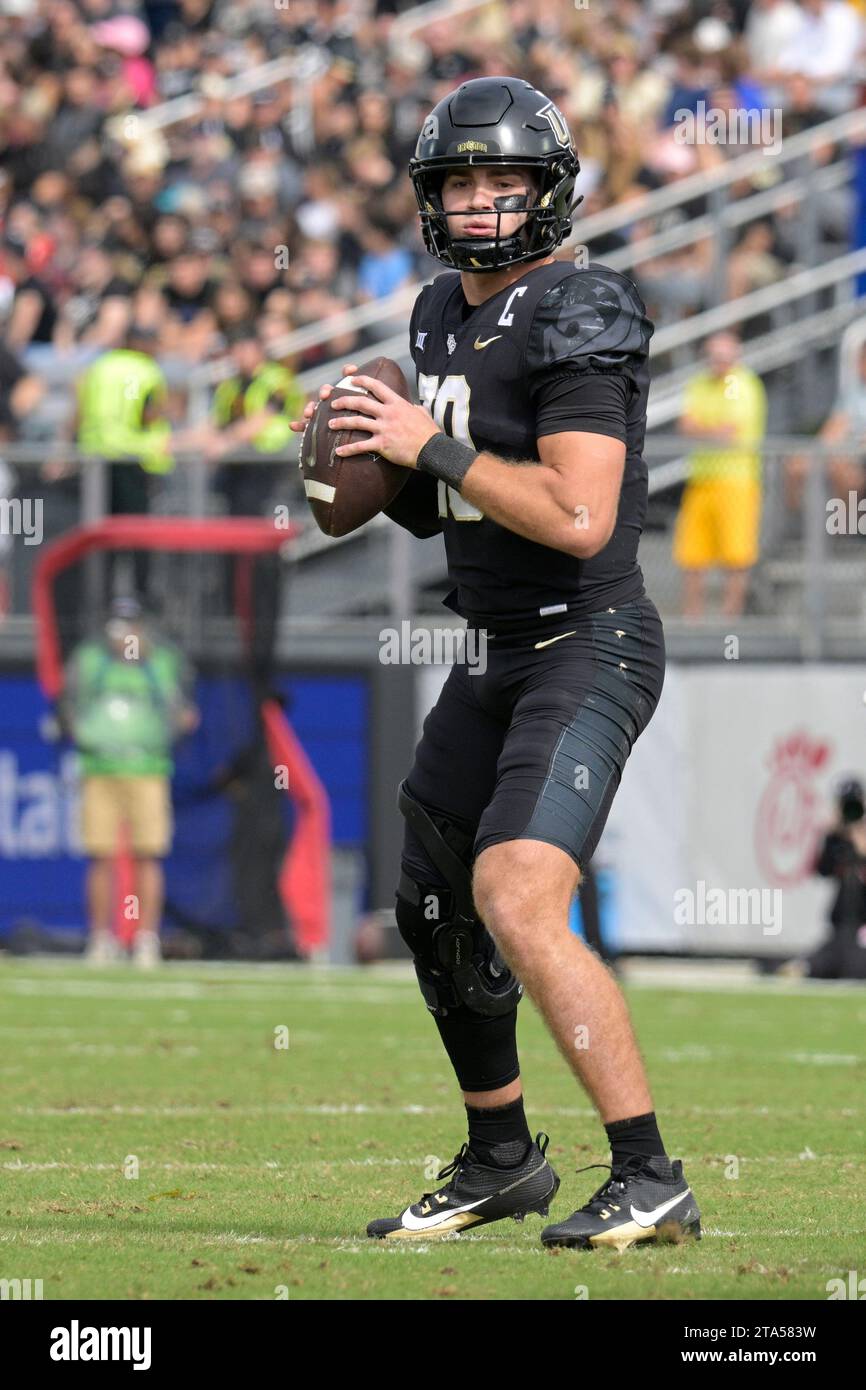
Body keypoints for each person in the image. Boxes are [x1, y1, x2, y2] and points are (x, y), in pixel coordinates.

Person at [291, 76, 701, 1253]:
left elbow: (575, 515)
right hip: (490, 649)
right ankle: (500, 1156)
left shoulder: (582, 307)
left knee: (514, 895)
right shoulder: (433, 315)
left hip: (588, 640)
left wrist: (435, 444)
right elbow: (455, 511)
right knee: (426, 899)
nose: (477, 205)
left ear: (548, 192)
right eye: (458, 184)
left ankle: (648, 1171)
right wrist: (378, 462)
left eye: (501, 183)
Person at [61, 597, 198, 969]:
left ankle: (145, 940)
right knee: (100, 854)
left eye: (129, 627)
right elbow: (69, 706)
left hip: (148, 770)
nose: (123, 637)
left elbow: (185, 713)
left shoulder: (162, 663)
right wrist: (89, 736)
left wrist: (159, 737)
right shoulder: (89, 660)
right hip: (100, 769)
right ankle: (101, 939)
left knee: (147, 854)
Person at [672, 331, 768, 618]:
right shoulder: (699, 383)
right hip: (702, 479)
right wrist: (709, 431)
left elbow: (728, 432)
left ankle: (730, 621)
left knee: (736, 554)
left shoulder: (745, 383)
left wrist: (702, 430)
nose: (719, 362)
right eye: (714, 356)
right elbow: (686, 426)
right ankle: (694, 619)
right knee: (692, 553)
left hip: (737, 481)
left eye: (724, 356)